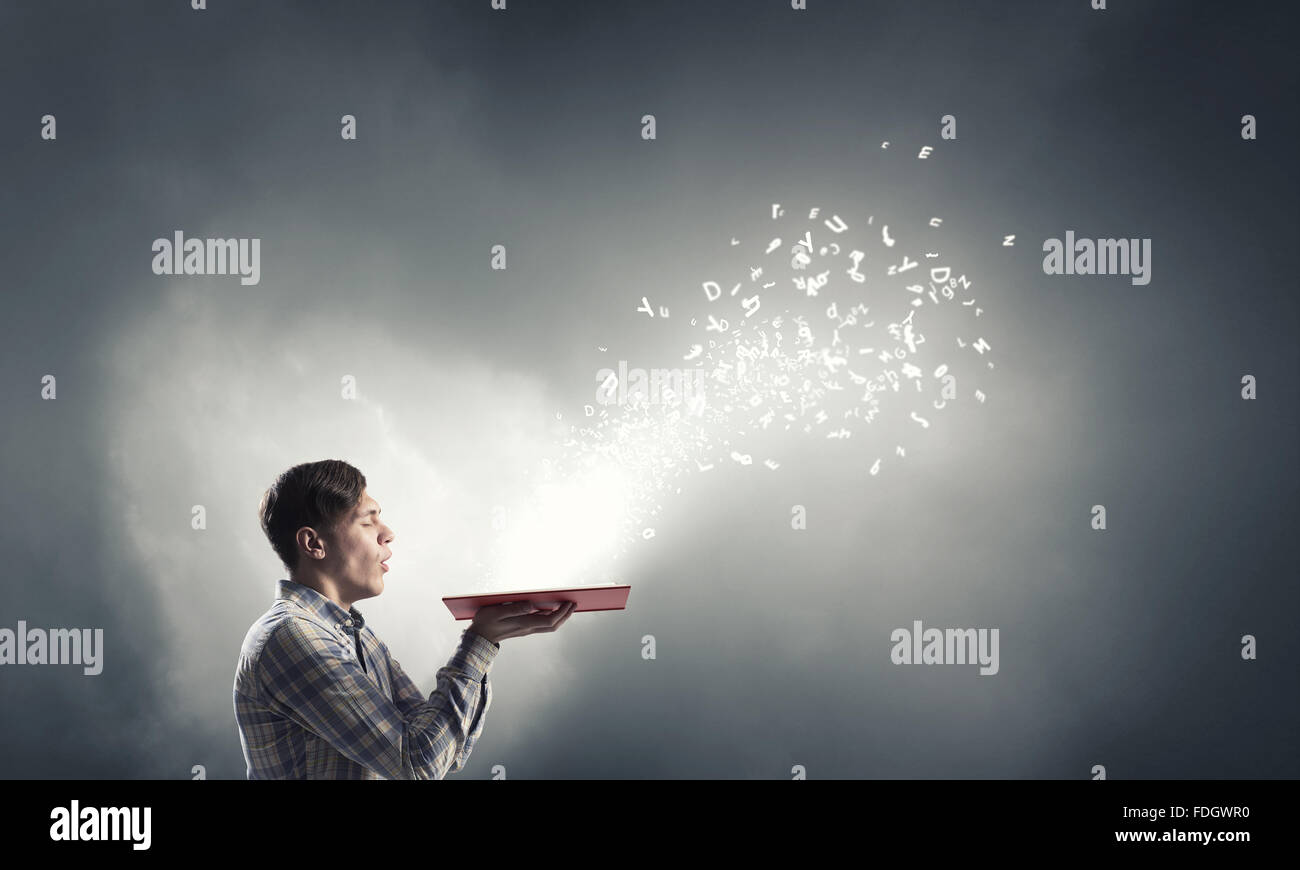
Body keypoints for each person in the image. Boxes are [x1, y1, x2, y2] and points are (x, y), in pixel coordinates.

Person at [233, 458, 574, 779]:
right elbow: (418, 763)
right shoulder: (291, 636)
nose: (388, 533)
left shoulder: (358, 637)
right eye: (368, 522)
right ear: (313, 543)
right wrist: (479, 643)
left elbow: (446, 753)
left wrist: (487, 640)